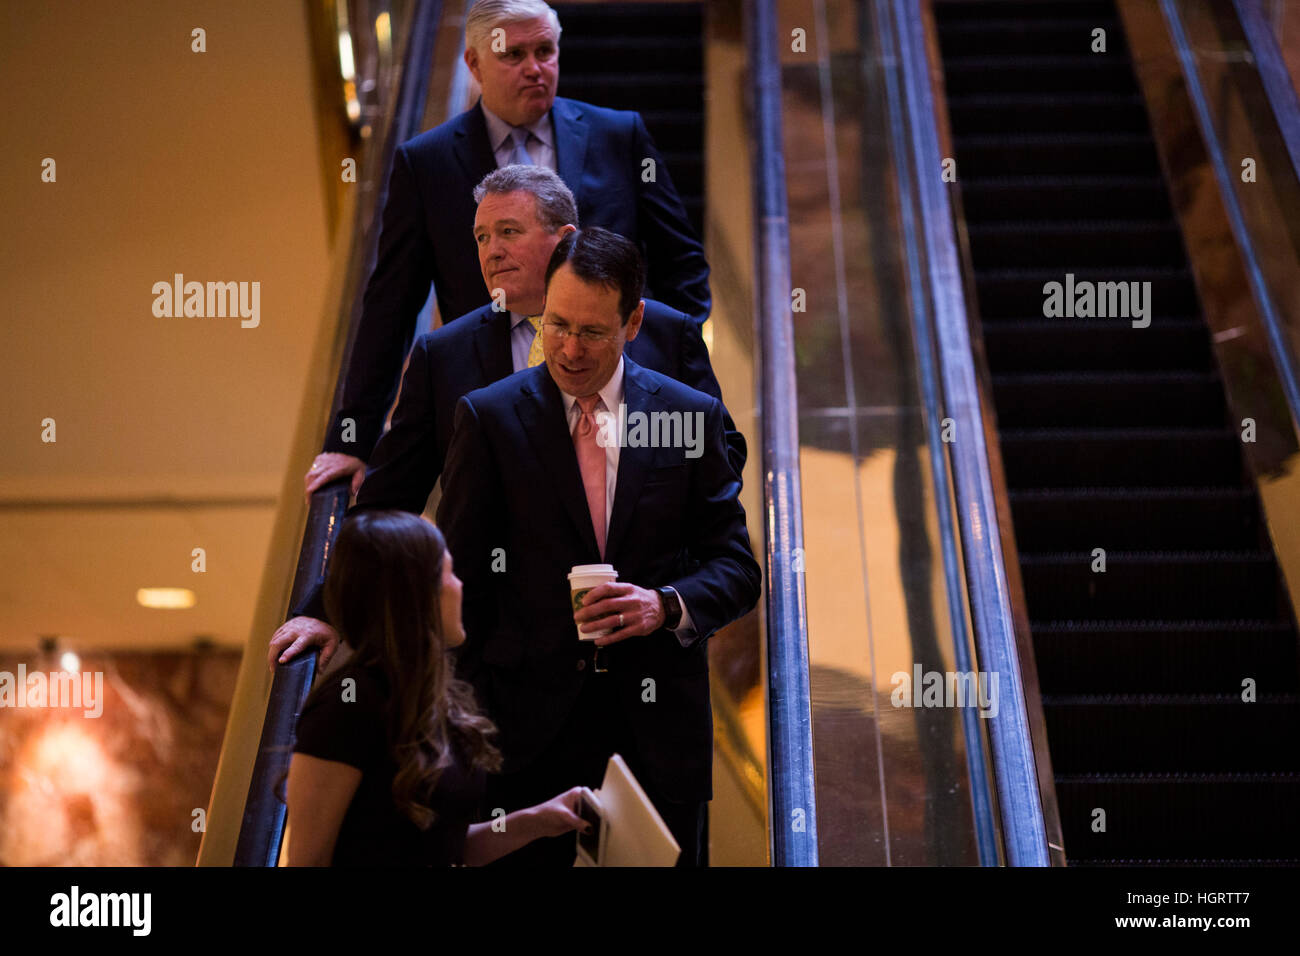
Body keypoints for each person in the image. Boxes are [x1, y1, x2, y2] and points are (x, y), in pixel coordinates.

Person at [270, 172, 743, 665]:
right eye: (481, 237)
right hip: (512, 659)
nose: (491, 251)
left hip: (645, 648)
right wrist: (326, 610)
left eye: (509, 232)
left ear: (564, 239)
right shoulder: (444, 355)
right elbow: (391, 497)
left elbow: (721, 455)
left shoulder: (665, 332)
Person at [435, 228, 761, 866]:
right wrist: (468, 728)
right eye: (555, 324)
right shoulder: (489, 418)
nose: (567, 349)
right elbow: (458, 583)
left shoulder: (689, 417)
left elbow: (738, 568)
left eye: (591, 332)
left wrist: (664, 605)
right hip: (521, 742)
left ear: (633, 322)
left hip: (658, 741)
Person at [308, 0, 709, 497]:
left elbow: (683, 262)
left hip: (613, 384)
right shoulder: (427, 162)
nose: (535, 69)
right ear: (473, 64)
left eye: (545, 51)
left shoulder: (618, 134)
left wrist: (657, 356)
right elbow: (391, 305)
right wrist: (354, 436)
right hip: (493, 407)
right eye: (514, 54)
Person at [286, 509, 588, 866]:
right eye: (448, 572)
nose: (460, 584)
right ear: (415, 593)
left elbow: (441, 848)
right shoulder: (346, 706)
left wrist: (539, 820)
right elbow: (308, 862)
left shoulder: (431, 697)